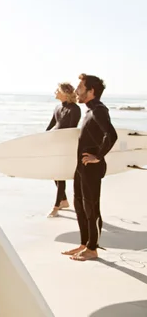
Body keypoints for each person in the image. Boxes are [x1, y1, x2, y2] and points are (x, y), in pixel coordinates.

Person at [62, 74, 118, 261]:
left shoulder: (99, 110)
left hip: (91, 168)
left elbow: (111, 135)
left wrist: (98, 156)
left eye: (80, 88)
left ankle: (93, 248)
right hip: (81, 167)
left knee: (91, 206)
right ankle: (84, 243)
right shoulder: (89, 111)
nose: (77, 91)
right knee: (79, 204)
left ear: (91, 91)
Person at [45, 82, 81, 217]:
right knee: (55, 174)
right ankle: (64, 200)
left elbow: (71, 129)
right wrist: (42, 139)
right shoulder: (58, 107)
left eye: (57, 90)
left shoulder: (75, 109)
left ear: (64, 93)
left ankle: (56, 206)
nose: (55, 92)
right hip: (56, 144)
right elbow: (51, 125)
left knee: (60, 175)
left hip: (66, 146)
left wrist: (62, 143)